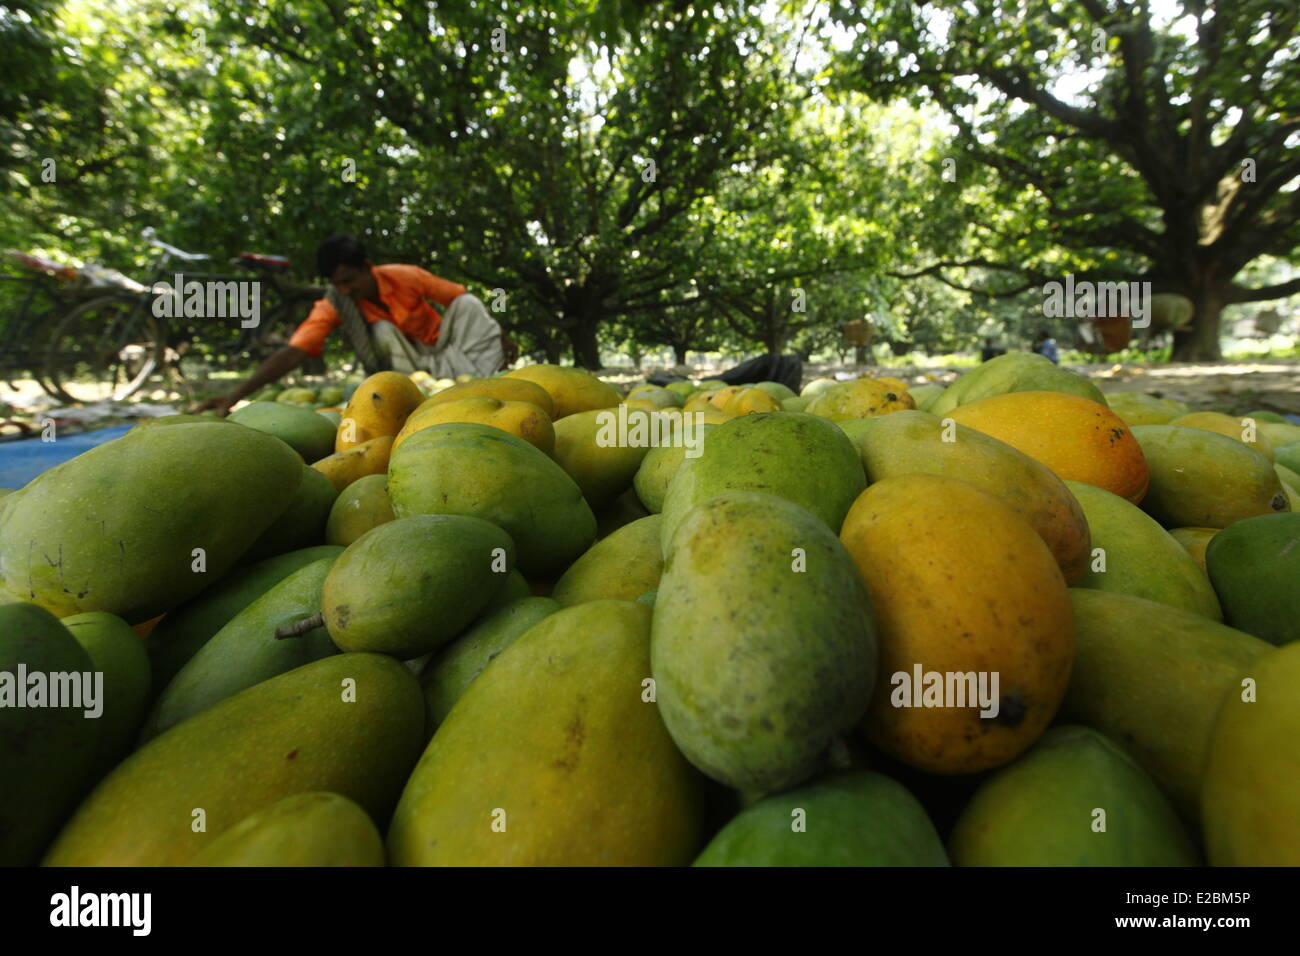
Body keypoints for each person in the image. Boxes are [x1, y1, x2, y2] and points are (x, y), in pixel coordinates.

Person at [193, 234, 515, 415]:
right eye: (338, 284)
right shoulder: (339, 301)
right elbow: (295, 351)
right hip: (407, 375)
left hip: (446, 353)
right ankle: (411, 396)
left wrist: (500, 336)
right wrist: (235, 395)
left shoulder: (406, 276)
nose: (346, 290)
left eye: (349, 280)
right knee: (383, 330)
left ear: (366, 268)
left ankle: (485, 386)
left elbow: (462, 303)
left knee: (469, 303)